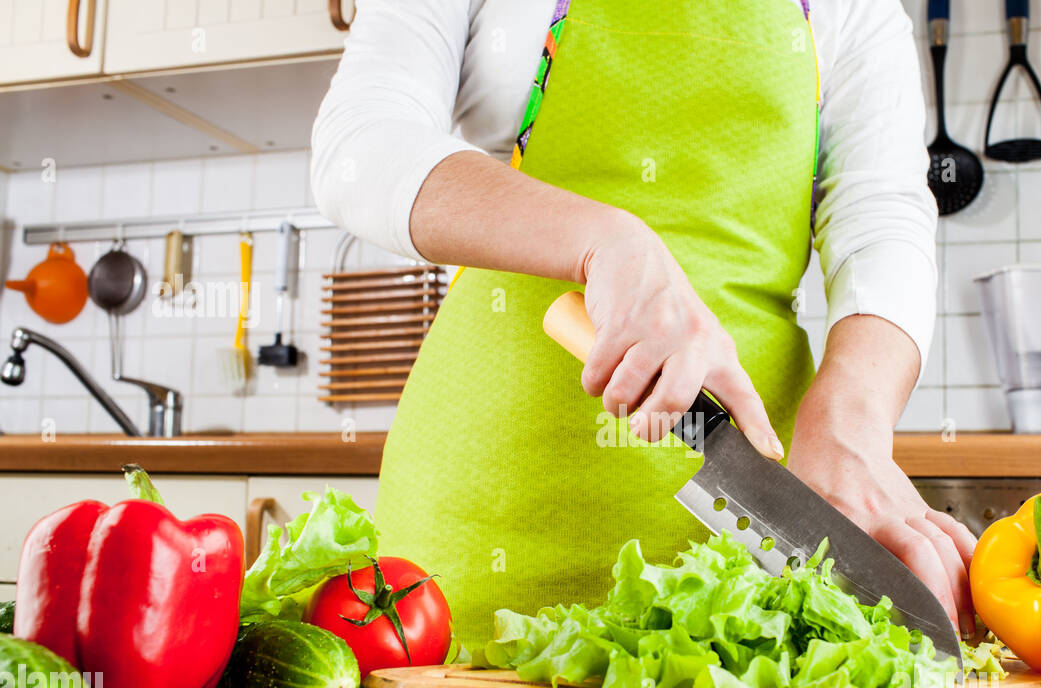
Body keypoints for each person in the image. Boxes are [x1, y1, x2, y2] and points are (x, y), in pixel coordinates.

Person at [312, 0, 976, 649]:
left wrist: (849, 422)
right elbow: (363, 142)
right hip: (471, 520)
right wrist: (604, 242)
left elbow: (881, 210)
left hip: (755, 536)